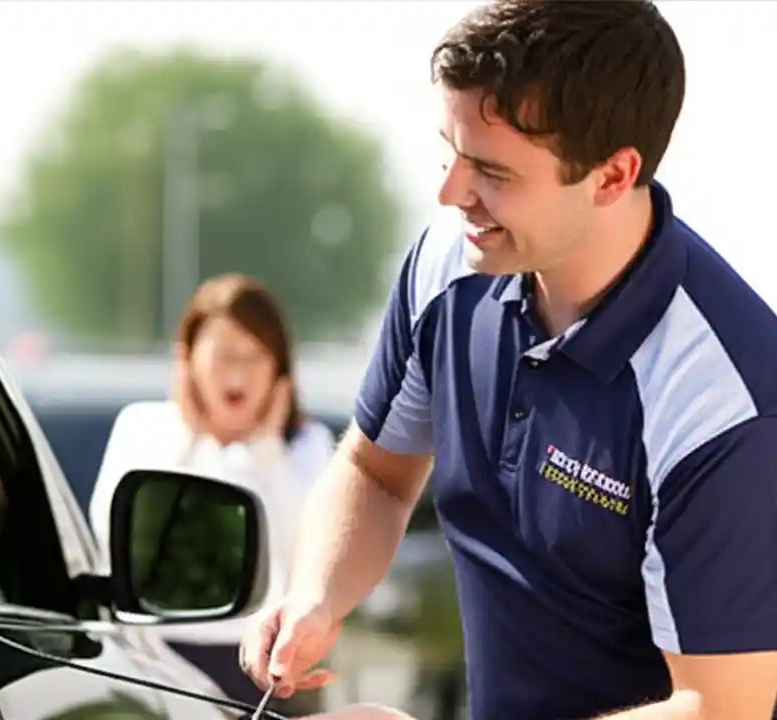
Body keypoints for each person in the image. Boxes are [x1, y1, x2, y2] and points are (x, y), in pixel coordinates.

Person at [239, 1, 777, 718]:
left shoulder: (723, 401)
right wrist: (313, 594)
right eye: (449, 152)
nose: (450, 193)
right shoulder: (444, 264)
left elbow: (720, 708)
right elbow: (376, 471)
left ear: (614, 175)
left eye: (491, 171)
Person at [89, 273, 335, 710]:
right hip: (154, 657)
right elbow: (118, 544)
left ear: (280, 367)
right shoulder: (142, 427)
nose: (237, 372)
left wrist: (266, 453)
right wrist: (189, 441)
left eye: (255, 355)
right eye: (222, 355)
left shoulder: (307, 446)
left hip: (265, 667)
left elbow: (306, 561)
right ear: (187, 359)